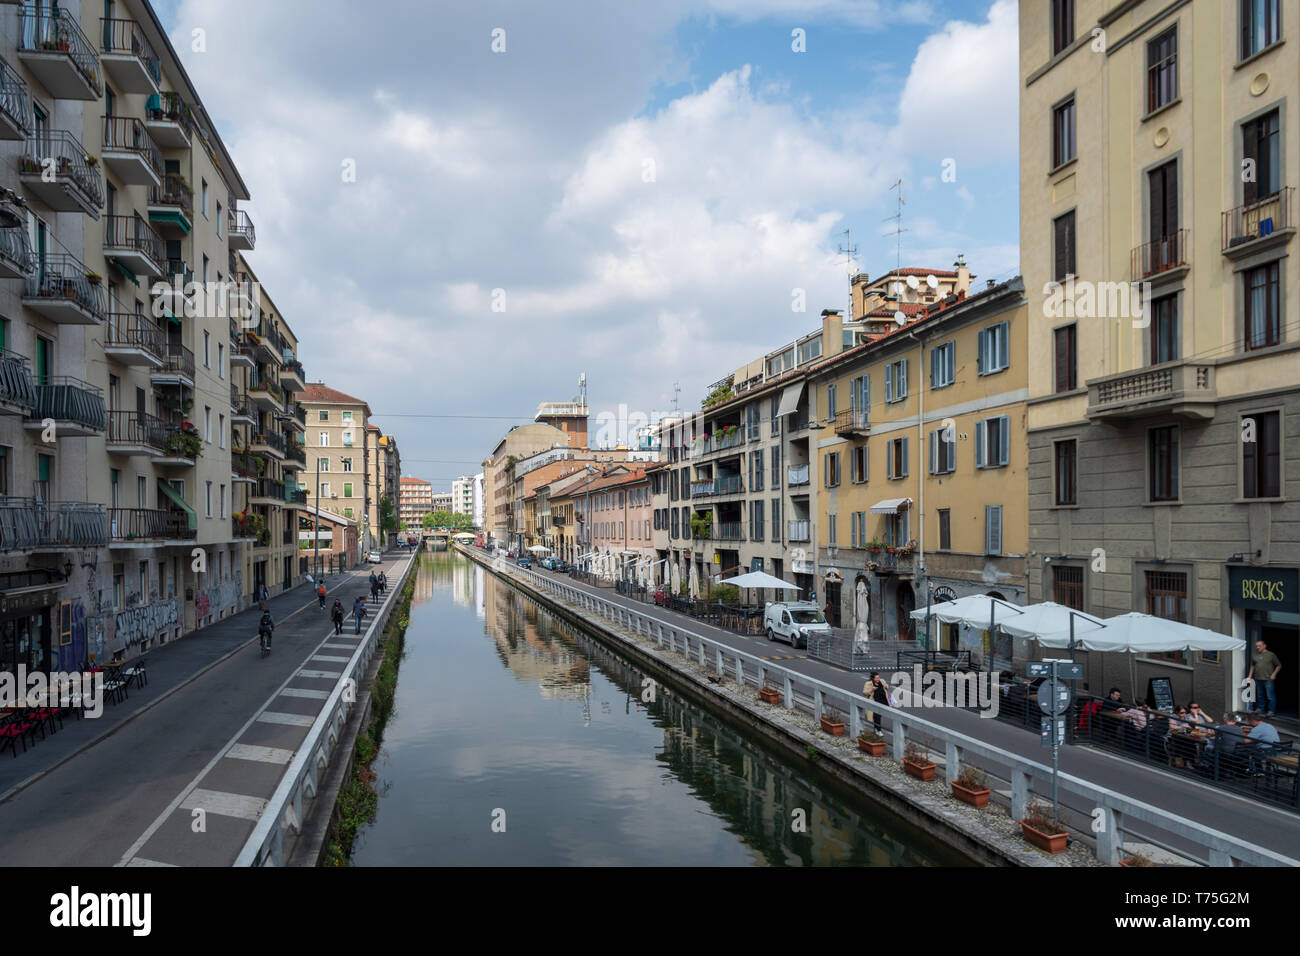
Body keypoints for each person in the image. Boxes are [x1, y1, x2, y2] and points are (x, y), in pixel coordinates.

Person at [1247, 639, 1281, 716]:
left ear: (1264, 646)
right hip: (1258, 678)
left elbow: (1279, 665)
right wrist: (1249, 676)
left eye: (1259, 646)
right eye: (1257, 646)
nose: (1258, 647)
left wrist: (1274, 675)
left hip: (1268, 679)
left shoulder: (1271, 655)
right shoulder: (1255, 655)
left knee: (1270, 696)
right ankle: (1261, 709)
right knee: (1260, 695)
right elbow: (1252, 666)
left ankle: (1271, 711)